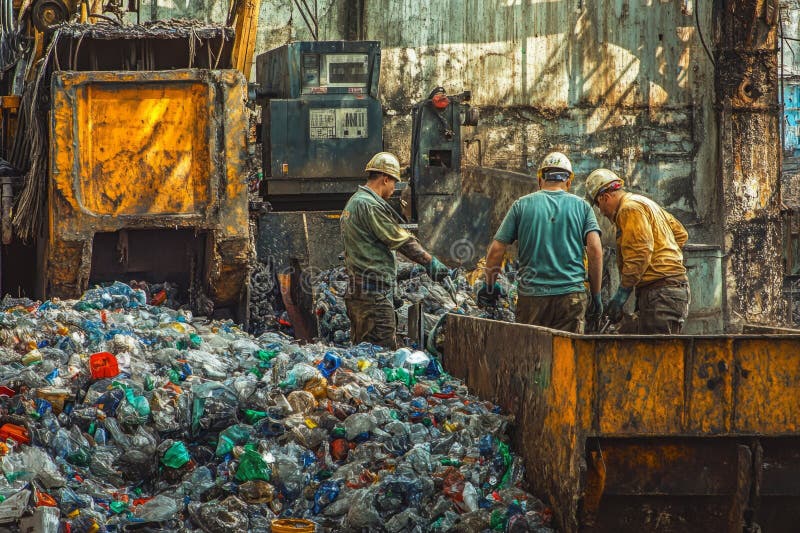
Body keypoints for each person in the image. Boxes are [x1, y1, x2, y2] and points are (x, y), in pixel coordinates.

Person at [479, 152, 604, 333]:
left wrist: (489, 286)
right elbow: (595, 251)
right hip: (570, 298)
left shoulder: (521, 205)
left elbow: (497, 250)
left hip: (532, 299)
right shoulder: (583, 207)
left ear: (540, 180)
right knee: (566, 357)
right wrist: (596, 295)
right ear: (568, 182)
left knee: (530, 357)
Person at [341, 152, 450, 349]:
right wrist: (429, 261)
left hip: (360, 292)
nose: (394, 189)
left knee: (364, 351)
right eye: (394, 183)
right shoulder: (369, 205)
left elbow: (372, 249)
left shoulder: (355, 201)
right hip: (372, 295)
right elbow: (401, 240)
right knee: (383, 353)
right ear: (385, 179)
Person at [585, 168, 689, 334]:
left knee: (655, 354)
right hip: (669, 290)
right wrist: (664, 259)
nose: (601, 212)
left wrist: (622, 293)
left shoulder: (628, 210)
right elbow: (680, 234)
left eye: (598, 206)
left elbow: (639, 254)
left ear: (605, 197)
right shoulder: (644, 202)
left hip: (660, 293)